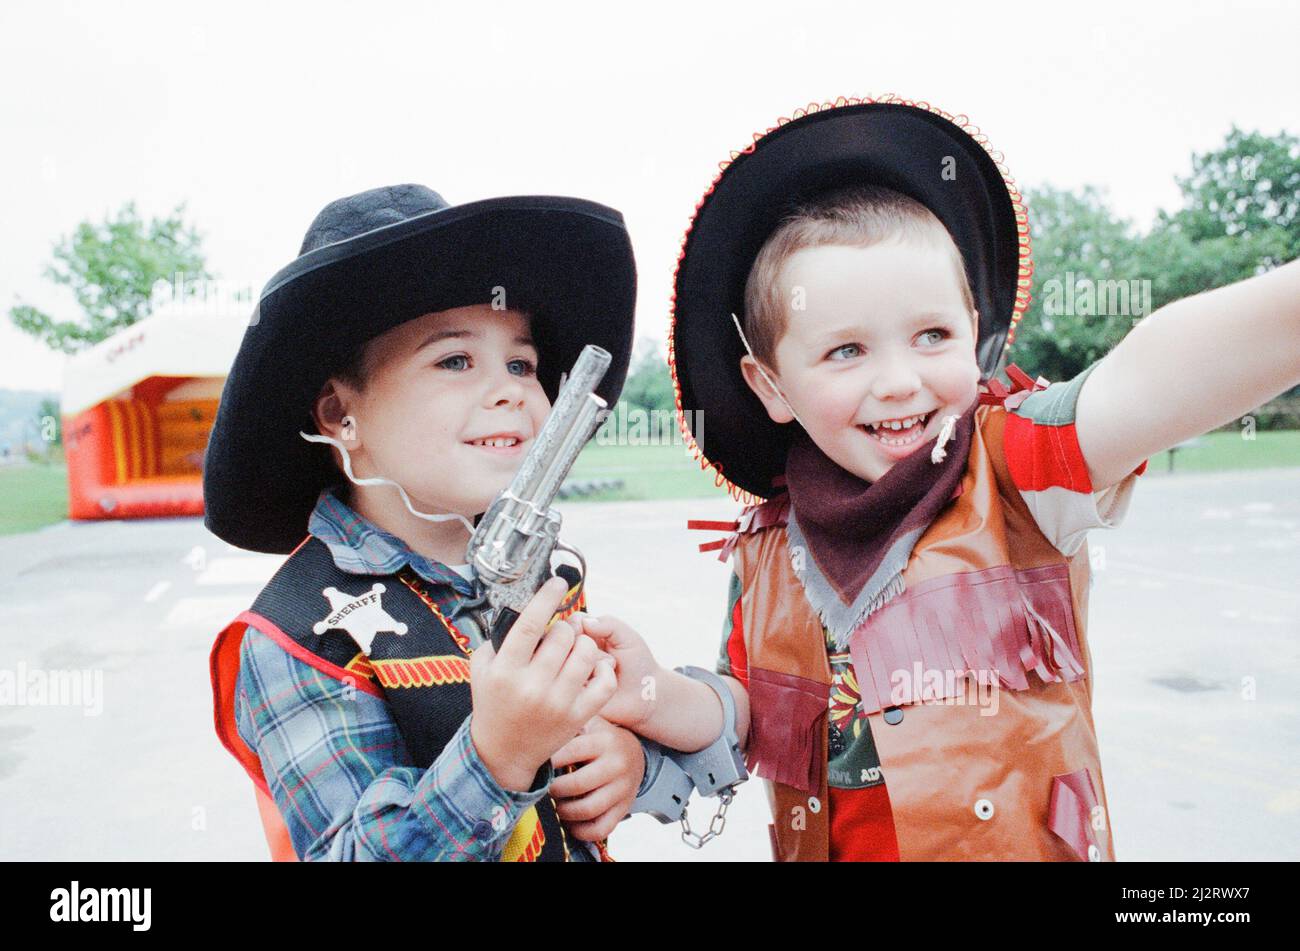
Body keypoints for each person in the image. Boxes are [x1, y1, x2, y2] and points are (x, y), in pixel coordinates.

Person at [579, 96, 1300, 861]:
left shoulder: (1013, 470)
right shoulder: (764, 548)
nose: (899, 381)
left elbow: (1153, 375)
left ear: (976, 335)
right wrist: (653, 690)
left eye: (932, 335)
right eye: (846, 351)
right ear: (769, 387)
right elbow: (745, 710)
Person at [206, 183, 651, 861]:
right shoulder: (295, 636)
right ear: (339, 415)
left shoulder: (538, 574)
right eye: (454, 360)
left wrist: (622, 759)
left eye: (522, 363)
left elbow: (599, 746)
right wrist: (495, 759)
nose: (509, 389)